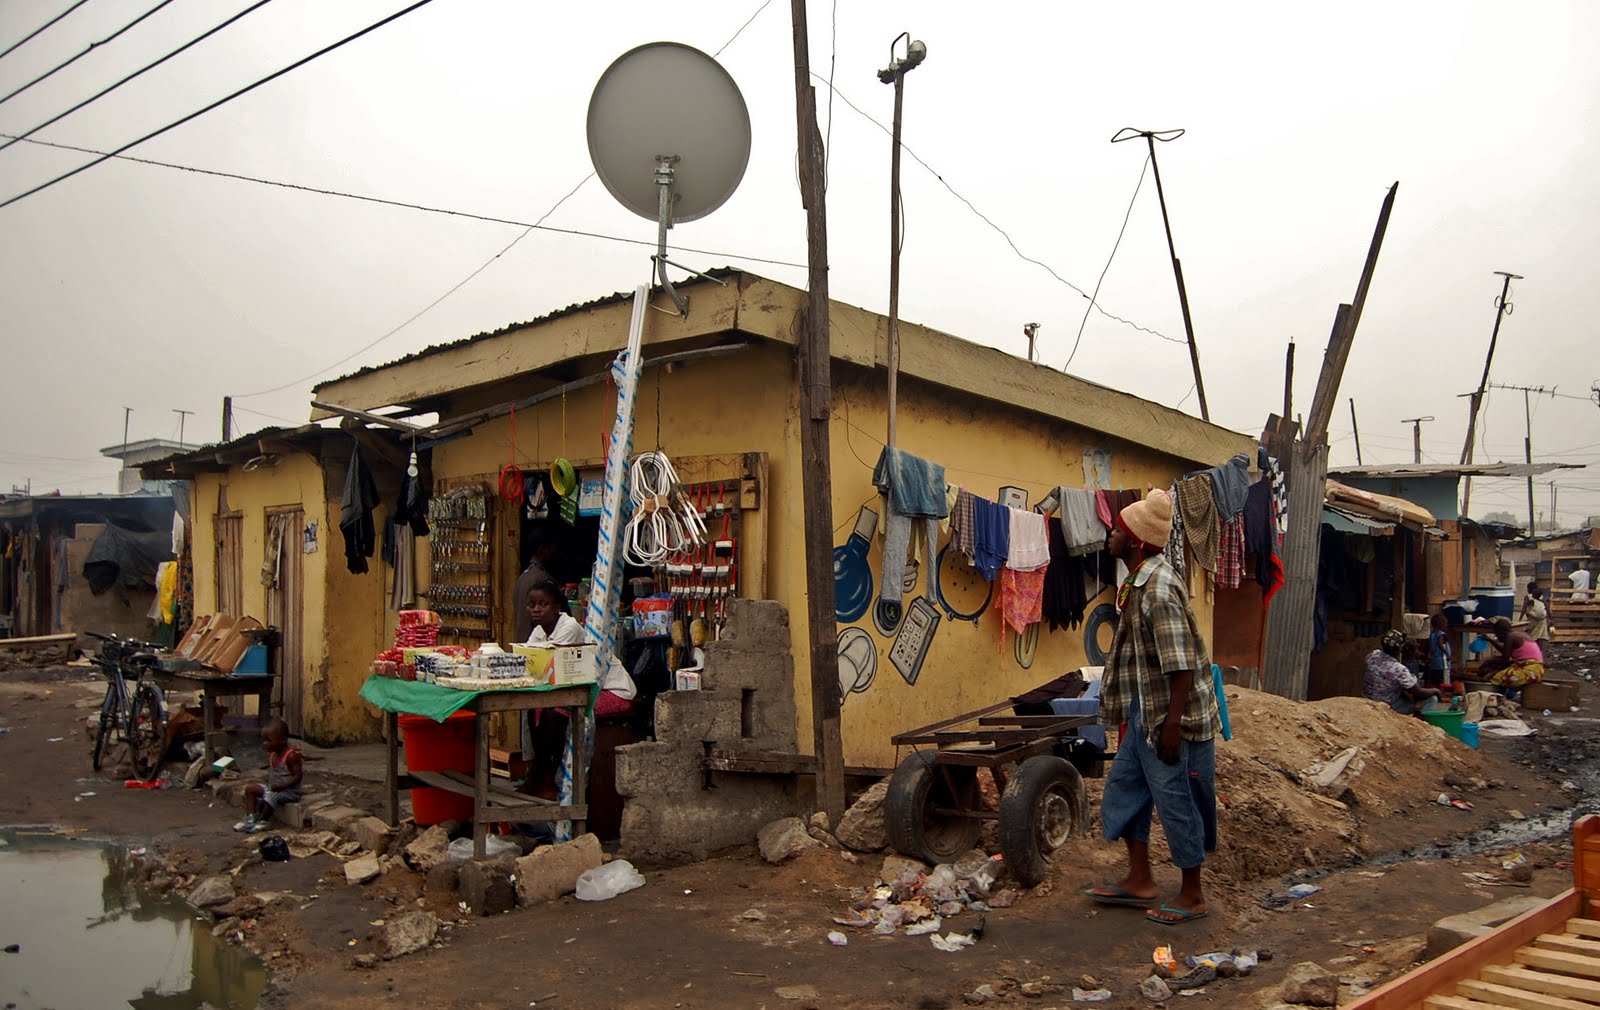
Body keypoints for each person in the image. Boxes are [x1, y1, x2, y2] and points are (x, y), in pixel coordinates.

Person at [1085, 488, 1221, 926]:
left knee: (1176, 800)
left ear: (1137, 542)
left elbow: (1180, 667)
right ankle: (1139, 879)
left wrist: (1171, 727)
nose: (1112, 534)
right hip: (1146, 711)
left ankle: (1192, 894)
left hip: (1170, 717)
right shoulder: (1139, 581)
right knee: (1125, 788)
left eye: (1119, 530)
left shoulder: (1158, 590)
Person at [520, 581, 638, 799]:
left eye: (542, 605)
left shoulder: (569, 628)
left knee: (557, 713)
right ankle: (541, 776)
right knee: (533, 710)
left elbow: (547, 664)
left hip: (612, 691)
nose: (536, 610)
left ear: (557, 608)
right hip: (574, 689)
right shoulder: (539, 631)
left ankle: (542, 777)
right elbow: (530, 657)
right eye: (531, 605)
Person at [233, 718, 303, 834]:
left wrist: (283, 786)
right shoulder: (273, 754)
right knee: (251, 789)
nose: (264, 743)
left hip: (289, 792)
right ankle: (250, 818)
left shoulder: (291, 757)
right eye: (263, 740)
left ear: (283, 740)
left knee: (272, 796)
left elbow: (298, 777)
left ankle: (263, 821)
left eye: (268, 740)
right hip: (274, 788)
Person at [1364, 629, 1442, 714]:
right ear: (1400, 649)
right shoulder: (1398, 669)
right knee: (1432, 698)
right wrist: (1436, 690)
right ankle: (1420, 723)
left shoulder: (1373, 655)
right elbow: (1419, 692)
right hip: (1387, 705)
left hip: (1368, 699)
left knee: (1402, 691)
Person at [513, 524, 563, 643]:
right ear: (543, 550)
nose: (556, 553)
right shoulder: (543, 580)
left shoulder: (523, 577)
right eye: (553, 548)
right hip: (535, 647)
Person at [1481, 617, 1545, 689]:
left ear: (1502, 633)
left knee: (1495, 678)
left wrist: (1489, 661)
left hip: (1531, 671)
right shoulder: (1518, 634)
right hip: (1538, 670)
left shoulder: (1510, 637)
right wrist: (1490, 640)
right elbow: (1505, 651)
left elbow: (1505, 660)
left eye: (1497, 635)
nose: (1497, 637)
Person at [1522, 584, 1551, 656]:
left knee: (1530, 635)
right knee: (1540, 636)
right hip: (1542, 621)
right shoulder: (1541, 598)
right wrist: (1550, 618)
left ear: (1529, 589)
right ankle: (1539, 652)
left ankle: (1531, 651)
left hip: (1532, 619)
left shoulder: (1528, 597)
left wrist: (1520, 618)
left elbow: (1524, 608)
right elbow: (1547, 607)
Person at [1426, 613, 1453, 688]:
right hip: (1442, 662)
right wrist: (1447, 653)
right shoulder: (1441, 634)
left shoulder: (1432, 634)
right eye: (1445, 623)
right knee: (1443, 681)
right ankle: (1441, 694)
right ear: (1441, 624)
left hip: (1434, 662)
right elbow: (1440, 644)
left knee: (1436, 681)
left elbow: (1430, 647)